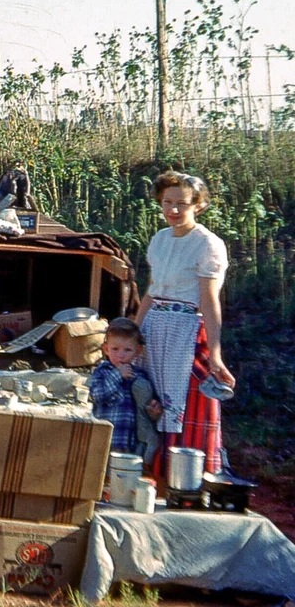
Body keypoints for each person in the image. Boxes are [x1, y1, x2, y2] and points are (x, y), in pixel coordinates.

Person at [135, 171, 235, 477]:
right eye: (167, 202)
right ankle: (149, 478)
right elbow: (153, 290)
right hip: (154, 330)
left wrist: (215, 354)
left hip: (186, 332)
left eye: (182, 204)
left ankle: (187, 479)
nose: (173, 210)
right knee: (148, 402)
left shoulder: (208, 244)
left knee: (189, 402)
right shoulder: (160, 239)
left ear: (198, 206)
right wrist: (134, 333)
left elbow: (209, 301)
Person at [89, 318, 161, 463]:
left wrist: (153, 411)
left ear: (138, 351)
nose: (121, 355)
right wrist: (117, 375)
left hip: (130, 441)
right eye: (115, 349)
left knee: (126, 476)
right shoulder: (102, 371)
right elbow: (97, 395)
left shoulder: (140, 375)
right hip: (107, 440)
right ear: (106, 349)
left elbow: (143, 406)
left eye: (127, 350)